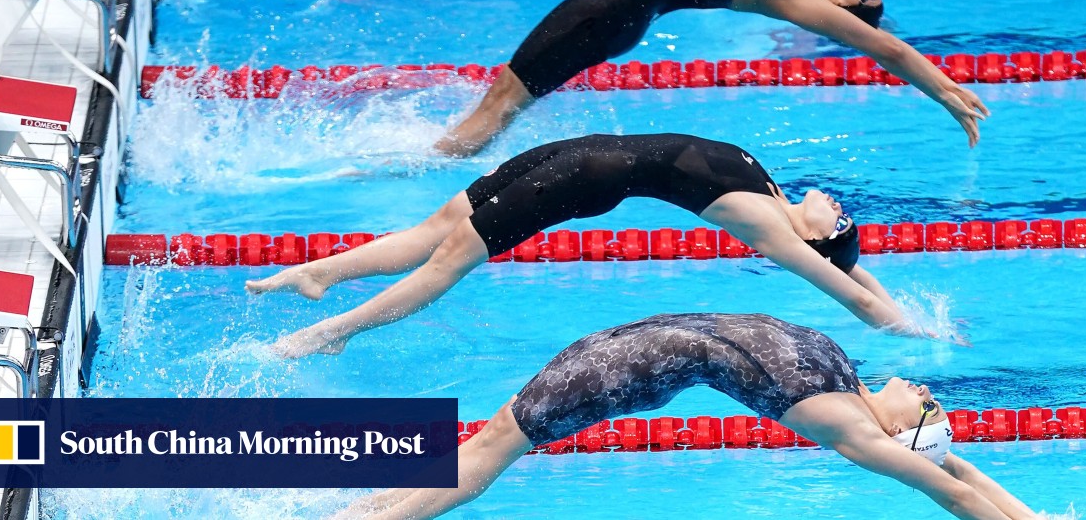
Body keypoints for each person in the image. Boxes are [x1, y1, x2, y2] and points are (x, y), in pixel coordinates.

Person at [247, 134, 933, 358]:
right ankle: (320, 275)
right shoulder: (774, 191)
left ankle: (331, 332)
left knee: (449, 260)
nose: (842, 213)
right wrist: (866, 268)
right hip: (574, 153)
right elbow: (855, 271)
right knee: (436, 230)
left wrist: (916, 326)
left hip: (586, 176)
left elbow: (847, 291)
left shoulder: (773, 230)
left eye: (840, 226)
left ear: (816, 241)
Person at [333, 313, 1039, 519]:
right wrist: (1032, 517)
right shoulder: (848, 384)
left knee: (495, 447)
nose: (924, 388)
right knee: (492, 437)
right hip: (630, 345)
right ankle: (372, 510)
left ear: (900, 432)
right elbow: (949, 463)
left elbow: (944, 484)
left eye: (929, 404)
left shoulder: (852, 428)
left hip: (633, 366)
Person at [431, 0, 988, 156]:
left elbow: (887, 50)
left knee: (501, 104)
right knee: (500, 101)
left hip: (609, 14)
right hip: (613, 8)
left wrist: (943, 91)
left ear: (844, 8)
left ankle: (419, 164)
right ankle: (432, 154)